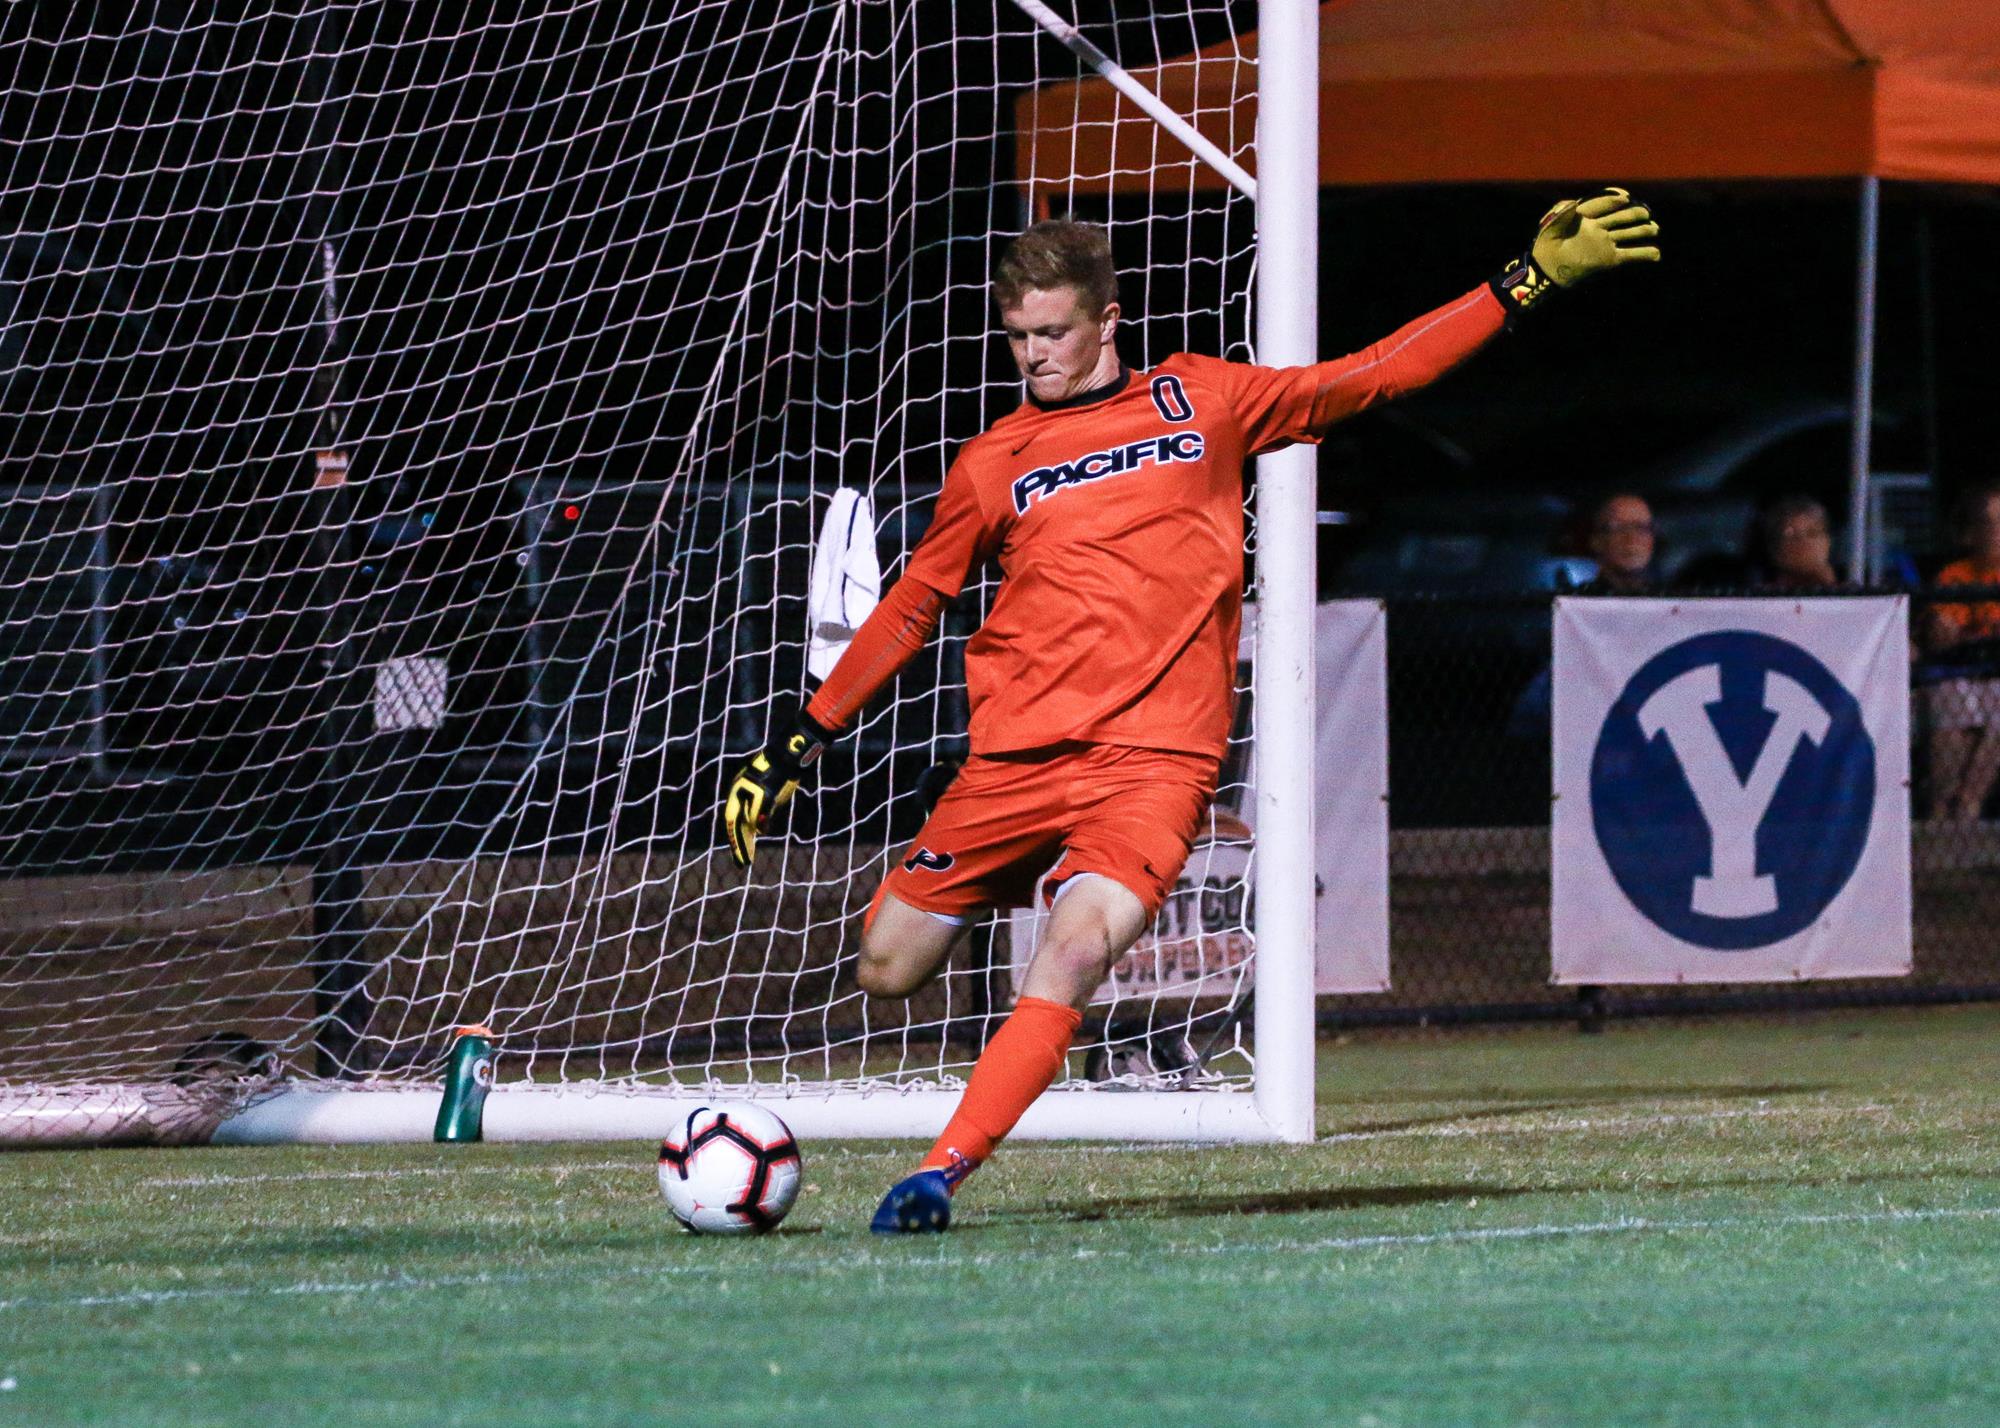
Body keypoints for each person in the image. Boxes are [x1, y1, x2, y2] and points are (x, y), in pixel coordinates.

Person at [723, 193, 1662, 1233]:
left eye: (1052, 333)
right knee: (886, 968)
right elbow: (912, 607)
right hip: (1012, 764)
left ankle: (938, 1174)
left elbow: (1370, 375)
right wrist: (801, 736)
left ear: (1105, 321)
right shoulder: (994, 461)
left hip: (1150, 765)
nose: (1032, 355)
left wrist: (1516, 285)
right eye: (1018, 337)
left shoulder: (1199, 401)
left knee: (1073, 955)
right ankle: (1036, 871)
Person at [1922, 481, 2000, 822]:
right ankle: (1942, 810)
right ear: (1971, 533)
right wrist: (1944, 631)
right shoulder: (1955, 576)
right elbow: (1943, 639)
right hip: (1962, 674)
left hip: (1997, 679)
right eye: (1992, 523)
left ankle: (1969, 803)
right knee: (1949, 708)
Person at [1754, 494, 1840, 591]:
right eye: (1791, 534)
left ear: (1828, 541)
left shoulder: (1853, 599)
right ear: (1774, 547)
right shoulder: (1758, 600)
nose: (1803, 542)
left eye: (1812, 533)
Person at [1576, 492, 1656, 594]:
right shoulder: (1577, 603)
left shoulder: (1671, 601)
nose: (1632, 538)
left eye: (1641, 528)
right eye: (1618, 528)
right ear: (1596, 541)